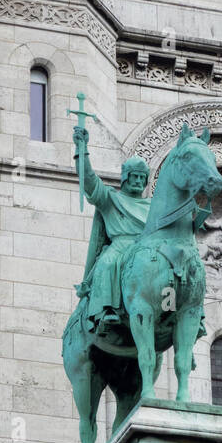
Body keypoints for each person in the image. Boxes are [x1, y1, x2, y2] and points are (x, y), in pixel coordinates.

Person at [72, 125, 150, 334]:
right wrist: (81, 149)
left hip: (147, 246)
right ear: (125, 178)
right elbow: (88, 181)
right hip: (120, 244)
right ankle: (106, 310)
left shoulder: (152, 205)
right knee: (107, 263)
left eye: (142, 178)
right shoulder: (110, 199)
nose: (138, 181)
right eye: (134, 176)